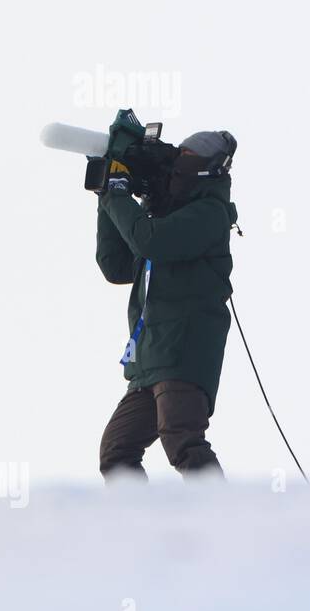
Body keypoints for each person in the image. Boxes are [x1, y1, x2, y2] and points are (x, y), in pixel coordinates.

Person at [94, 130, 240, 481]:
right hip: (151, 360)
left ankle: (227, 521)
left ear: (210, 169)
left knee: (182, 439)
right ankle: (144, 530)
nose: (178, 164)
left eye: (187, 157)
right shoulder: (163, 215)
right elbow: (115, 264)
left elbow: (151, 242)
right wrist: (107, 194)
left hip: (185, 350)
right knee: (117, 452)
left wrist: (118, 194)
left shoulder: (209, 213)